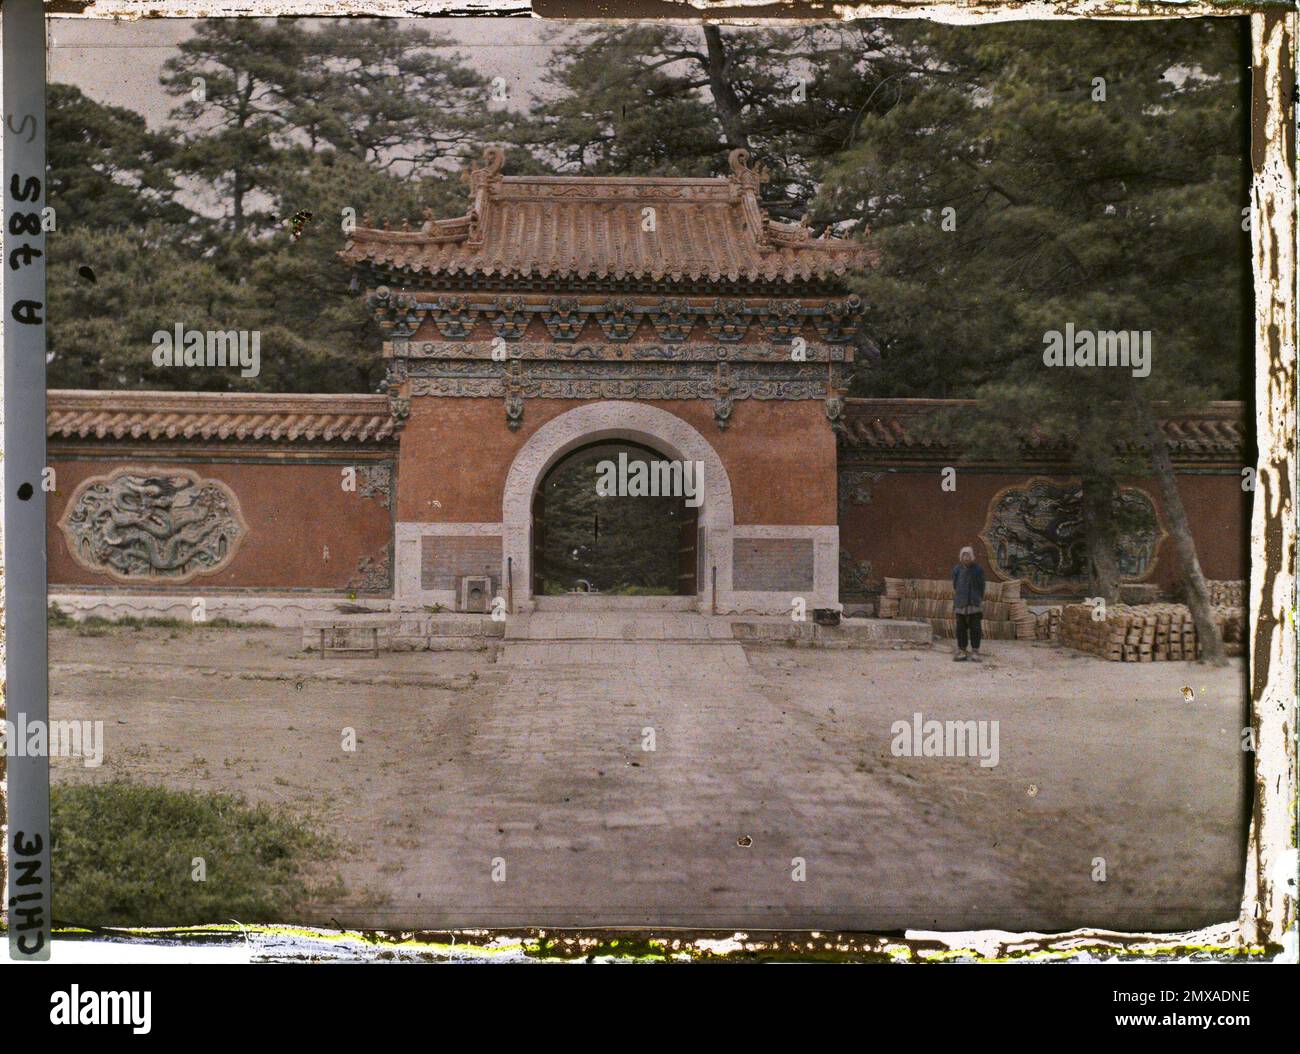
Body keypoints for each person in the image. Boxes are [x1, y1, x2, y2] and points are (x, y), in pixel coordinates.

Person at [952, 545, 986, 662]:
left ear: (972, 557)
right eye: (963, 555)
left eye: (968, 555)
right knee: (960, 628)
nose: (966, 558)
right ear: (961, 557)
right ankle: (962, 650)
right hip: (961, 603)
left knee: (975, 628)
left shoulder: (978, 569)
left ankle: (975, 651)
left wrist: (977, 598)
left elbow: (982, 586)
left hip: (974, 603)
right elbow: (955, 585)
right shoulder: (957, 569)